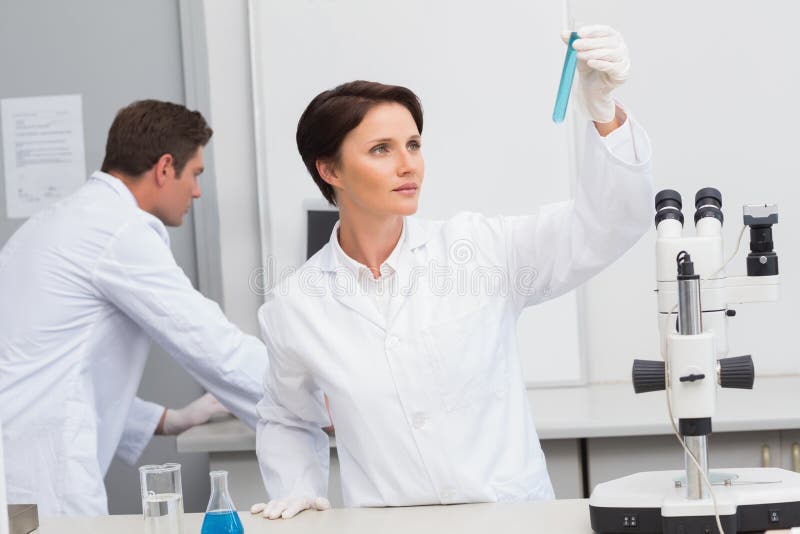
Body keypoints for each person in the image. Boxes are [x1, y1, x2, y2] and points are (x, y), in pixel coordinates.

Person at [252, 25, 652, 519]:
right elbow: (286, 418)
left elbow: (606, 227)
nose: (408, 165)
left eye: (414, 145)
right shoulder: (297, 305)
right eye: (382, 149)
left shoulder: (481, 250)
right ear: (330, 171)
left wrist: (604, 114)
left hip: (512, 522)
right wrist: (297, 487)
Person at [0, 100, 269, 516]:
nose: (196, 191)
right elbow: (207, 339)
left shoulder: (56, 222)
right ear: (165, 168)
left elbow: (48, 366)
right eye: (195, 174)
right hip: (40, 473)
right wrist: (311, 400)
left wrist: (168, 419)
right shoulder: (119, 230)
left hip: (19, 461)